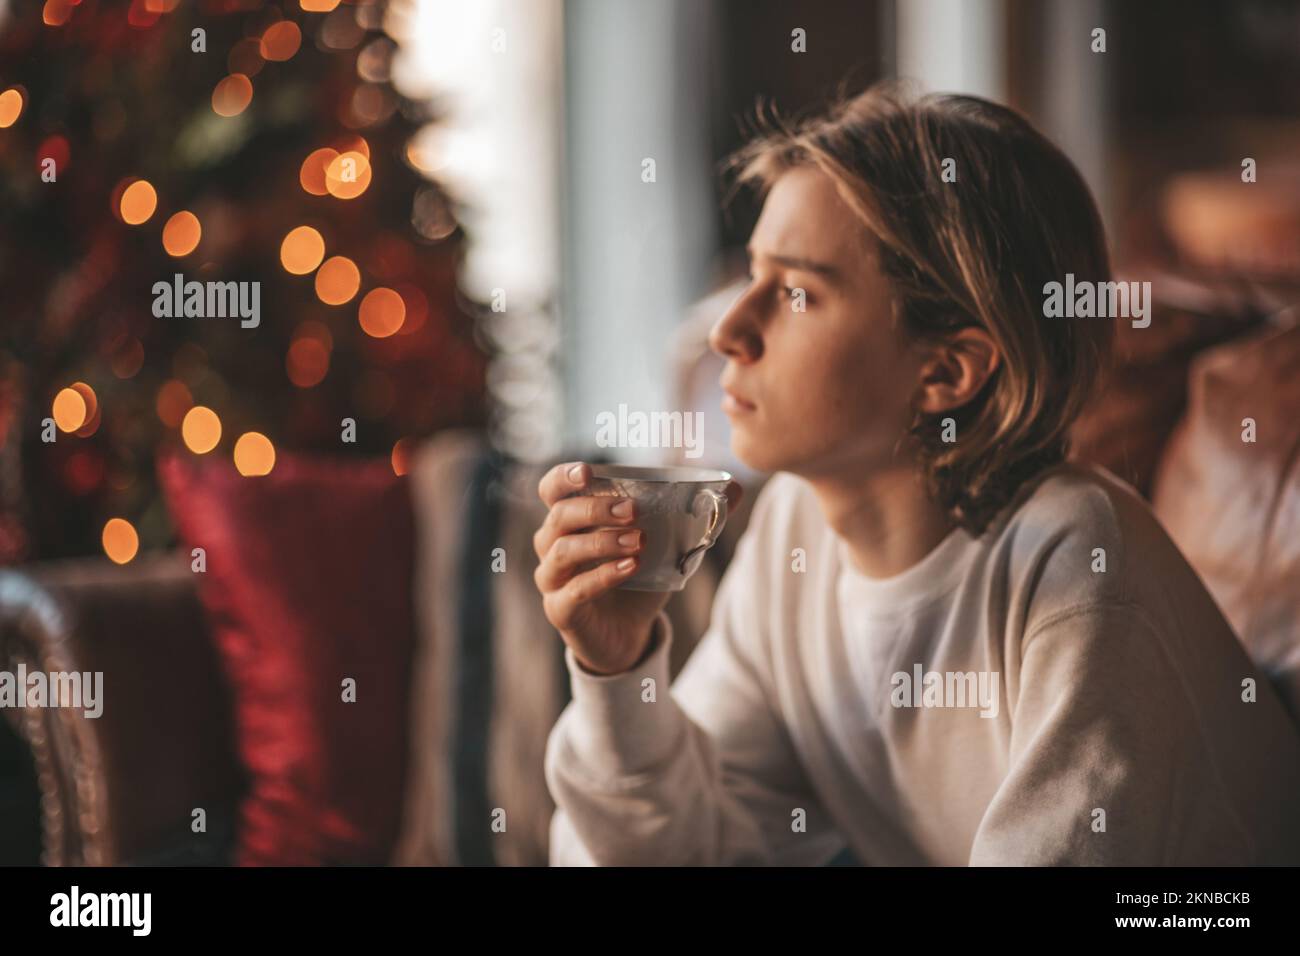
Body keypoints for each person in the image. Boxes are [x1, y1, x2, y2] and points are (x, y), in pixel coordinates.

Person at [532, 83, 1300, 865]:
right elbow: (681, 853)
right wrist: (616, 668)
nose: (729, 329)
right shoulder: (797, 531)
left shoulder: (1076, 571)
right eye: (750, 274)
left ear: (946, 372)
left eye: (796, 291)